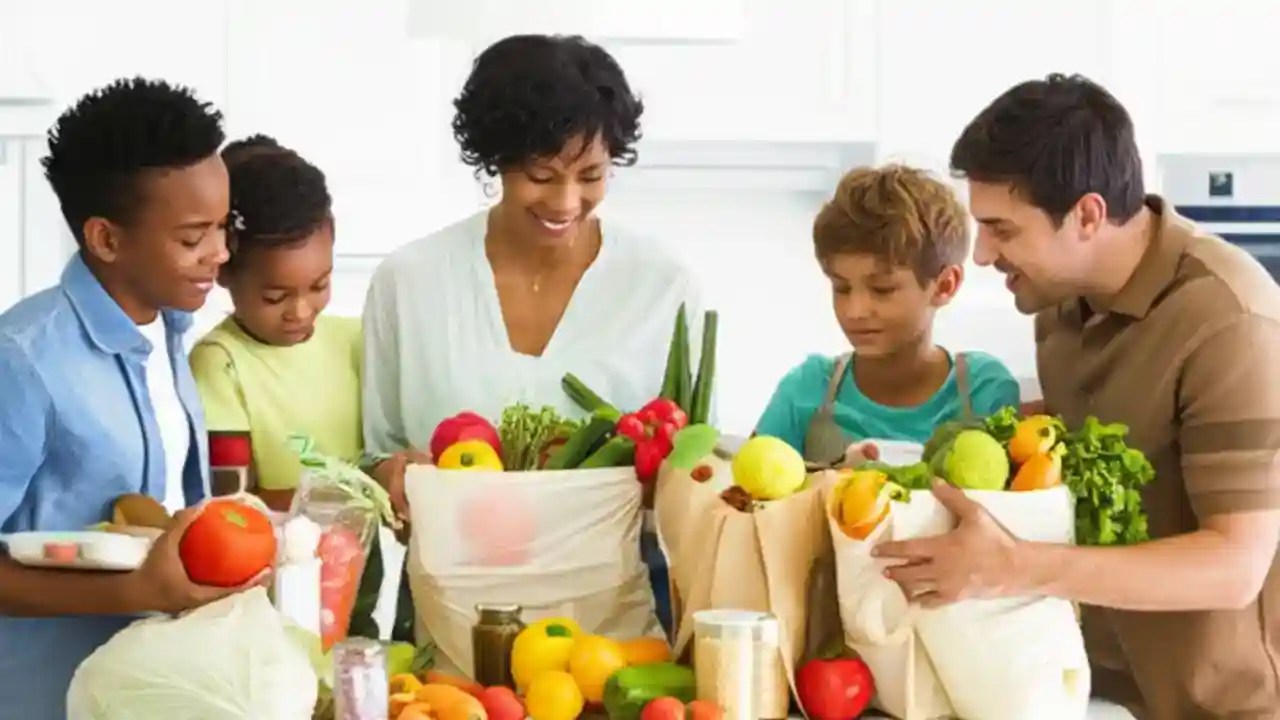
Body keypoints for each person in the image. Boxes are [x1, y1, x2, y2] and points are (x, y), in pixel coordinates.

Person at [874, 73, 1280, 719]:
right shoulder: (1059, 302)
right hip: (1095, 691)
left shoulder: (1229, 319)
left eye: (1002, 229)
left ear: (1087, 216)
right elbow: (1098, 437)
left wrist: (1014, 566)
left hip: (1222, 706)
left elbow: (1235, 565)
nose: (983, 254)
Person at [362, 33, 705, 637]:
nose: (567, 201)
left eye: (592, 174)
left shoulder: (663, 285)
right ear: (496, 160)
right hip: (451, 621)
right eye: (541, 176)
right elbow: (374, 453)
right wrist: (391, 476)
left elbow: (694, 470)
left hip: (618, 630)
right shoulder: (410, 282)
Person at [0, 77, 244, 720]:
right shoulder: (22, 359)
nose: (219, 255)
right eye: (193, 238)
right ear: (107, 239)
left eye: (225, 226)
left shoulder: (170, 330)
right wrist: (137, 589)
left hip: (146, 689)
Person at [188, 134, 416, 640]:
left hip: (380, 588)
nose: (300, 311)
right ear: (224, 267)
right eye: (275, 296)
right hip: (276, 594)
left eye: (319, 285)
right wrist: (364, 489)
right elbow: (236, 505)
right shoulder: (220, 363)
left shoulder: (358, 340)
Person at [754, 164, 1021, 463]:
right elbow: (748, 495)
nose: (854, 311)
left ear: (945, 286)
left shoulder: (983, 390)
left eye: (882, 289)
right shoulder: (807, 388)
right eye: (841, 288)